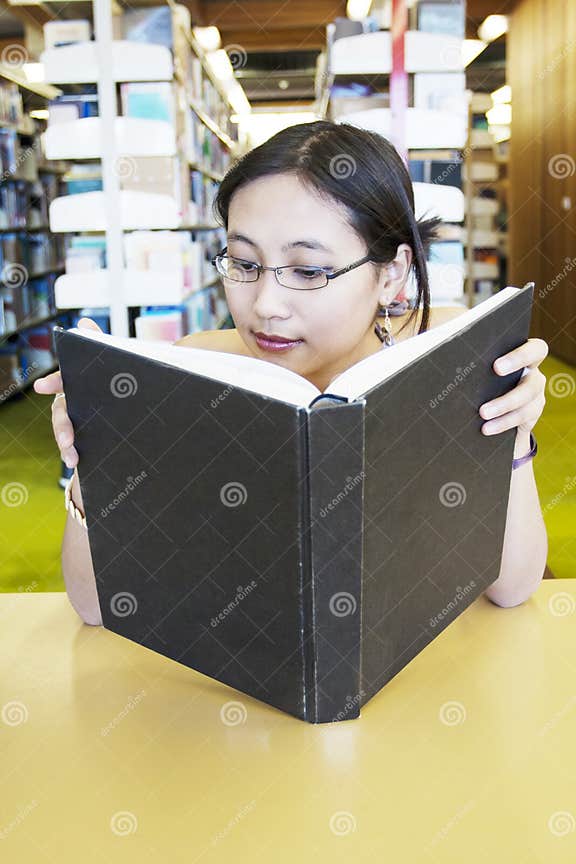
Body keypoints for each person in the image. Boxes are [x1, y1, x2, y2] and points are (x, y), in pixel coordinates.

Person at [33, 120, 549, 626]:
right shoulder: (193, 369)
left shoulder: (448, 356)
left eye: (308, 270)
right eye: (244, 263)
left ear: (391, 273)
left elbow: (513, 587)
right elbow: (96, 606)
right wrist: (92, 463)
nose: (266, 306)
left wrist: (512, 435)